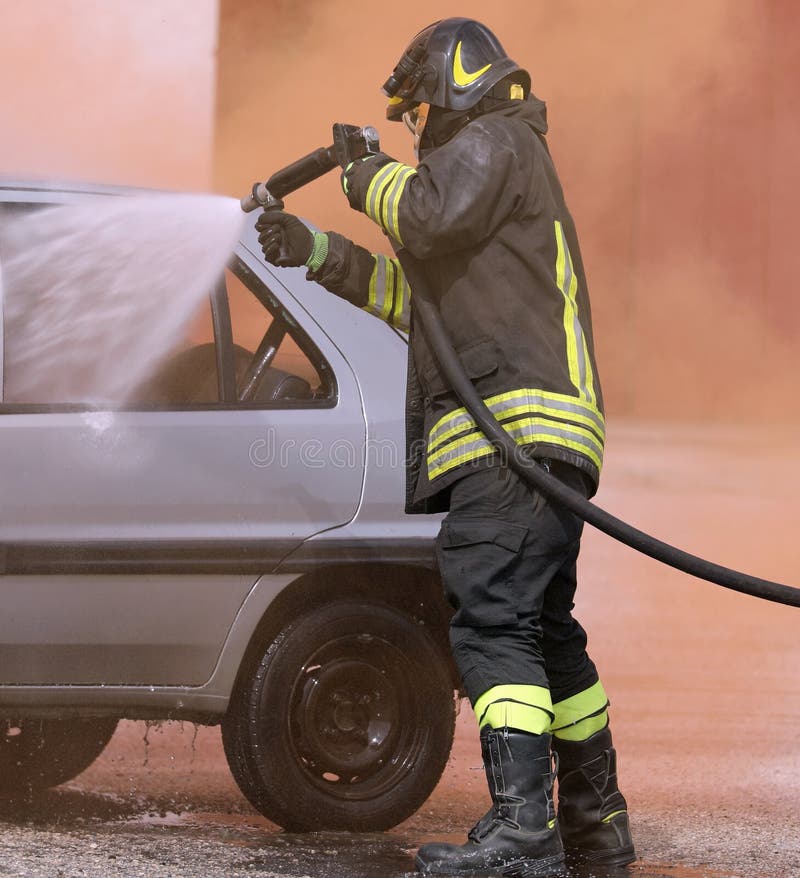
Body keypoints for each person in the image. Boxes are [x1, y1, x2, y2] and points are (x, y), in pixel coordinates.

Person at [256, 16, 635, 877]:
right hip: (544, 439)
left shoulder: (493, 142)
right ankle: (594, 817)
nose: (413, 131)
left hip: (513, 436)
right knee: (544, 629)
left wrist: (359, 173)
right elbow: (419, 299)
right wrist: (319, 252)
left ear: (450, 87)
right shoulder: (490, 177)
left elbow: (423, 216)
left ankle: (522, 832)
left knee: (495, 620)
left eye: (415, 111)